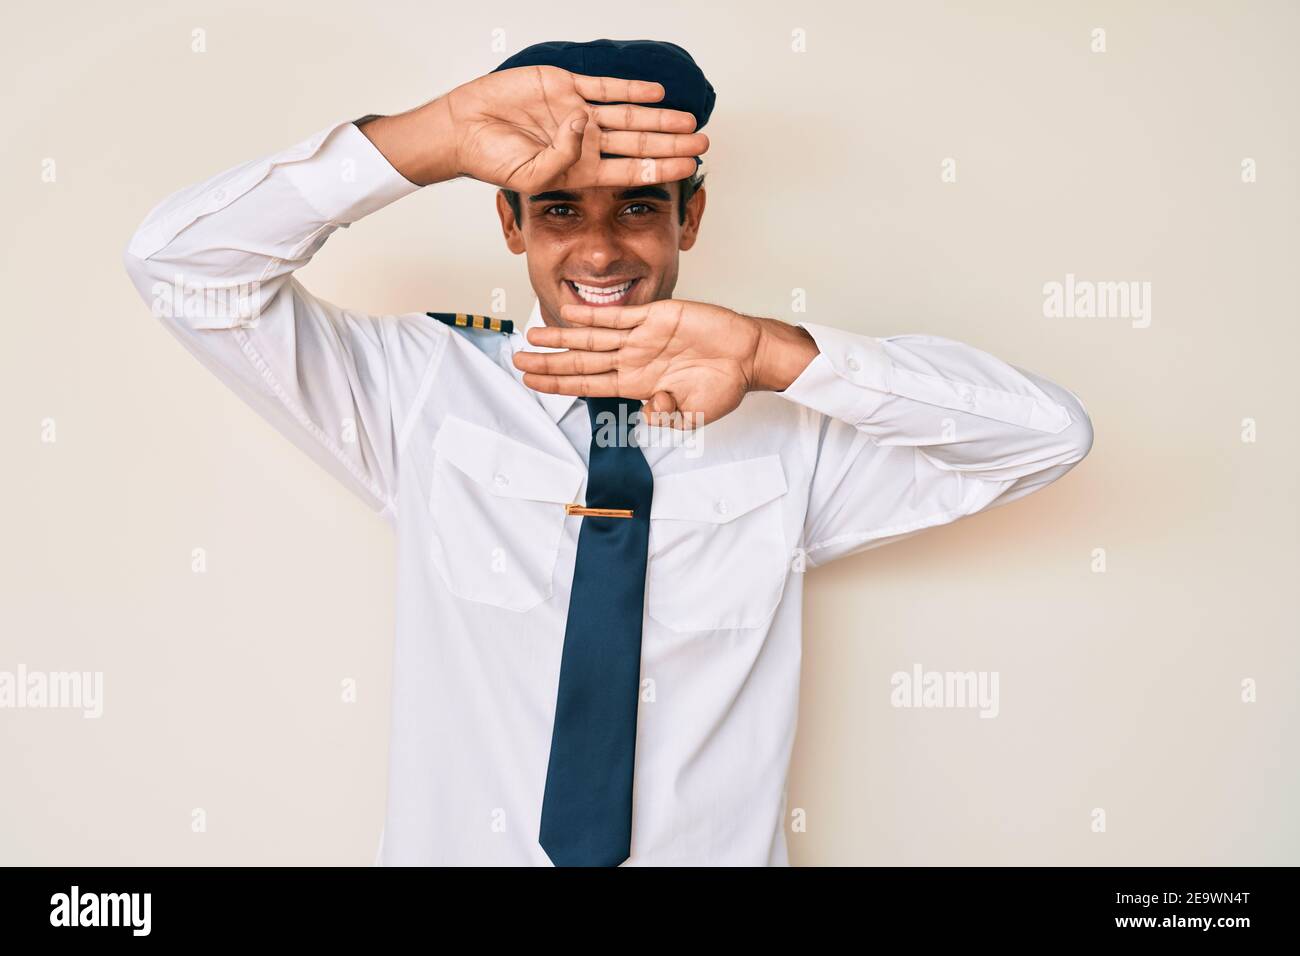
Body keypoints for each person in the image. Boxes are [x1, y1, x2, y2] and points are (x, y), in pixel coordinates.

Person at [122, 38, 1093, 866]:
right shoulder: (415, 391)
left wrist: (774, 354)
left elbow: (1046, 436)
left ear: (690, 218)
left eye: (636, 207)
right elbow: (180, 271)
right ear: (508, 222)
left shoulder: (792, 428)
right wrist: (430, 140)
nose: (598, 251)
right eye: (557, 208)